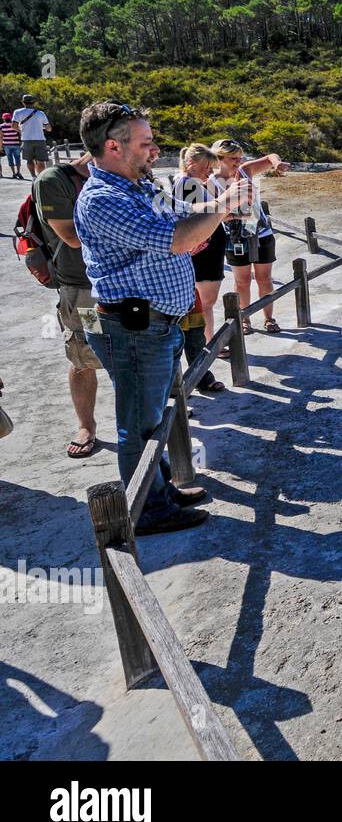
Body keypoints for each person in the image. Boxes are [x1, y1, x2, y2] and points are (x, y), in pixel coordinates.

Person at [73, 103, 251, 535]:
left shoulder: (139, 186)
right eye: (146, 143)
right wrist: (225, 205)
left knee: (154, 415)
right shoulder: (103, 200)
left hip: (156, 324)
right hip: (134, 328)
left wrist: (206, 217)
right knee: (137, 424)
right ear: (113, 147)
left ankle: (160, 489)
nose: (156, 151)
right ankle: (147, 509)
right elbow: (176, 237)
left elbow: (185, 221)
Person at [32, 152, 101, 457]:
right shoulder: (54, 181)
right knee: (84, 357)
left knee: (139, 352)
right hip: (83, 288)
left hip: (127, 286)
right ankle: (86, 425)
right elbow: (71, 237)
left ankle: (151, 419)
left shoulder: (129, 174)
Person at [210, 139, 289, 334]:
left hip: (261, 233)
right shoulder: (211, 182)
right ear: (219, 159)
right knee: (242, 281)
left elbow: (270, 158)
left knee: (264, 279)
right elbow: (215, 213)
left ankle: (269, 319)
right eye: (233, 158)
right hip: (235, 238)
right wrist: (237, 214)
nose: (238, 162)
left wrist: (278, 163)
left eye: (240, 157)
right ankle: (244, 319)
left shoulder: (245, 170)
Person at [173, 144, 226, 346]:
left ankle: (207, 342)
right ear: (191, 163)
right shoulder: (188, 184)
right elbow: (197, 216)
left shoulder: (187, 182)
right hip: (205, 252)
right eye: (207, 167)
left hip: (206, 250)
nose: (210, 172)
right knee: (206, 303)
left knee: (203, 303)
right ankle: (209, 344)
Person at [12, 95, 52, 178]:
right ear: (34, 102)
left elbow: (13, 126)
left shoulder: (18, 112)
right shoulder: (41, 113)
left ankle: (33, 177)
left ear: (23, 102)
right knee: (40, 161)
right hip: (40, 139)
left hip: (26, 139)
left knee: (29, 160)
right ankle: (41, 177)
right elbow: (49, 128)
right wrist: (41, 127)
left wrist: (21, 130)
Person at [1, 112, 22, 178]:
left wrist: (1, 146)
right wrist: (21, 142)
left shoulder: (1, 126)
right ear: (11, 118)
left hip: (7, 145)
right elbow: (20, 134)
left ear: (3, 119)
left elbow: (1, 137)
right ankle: (18, 172)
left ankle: (13, 173)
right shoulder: (15, 125)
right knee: (17, 158)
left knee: (10, 159)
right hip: (16, 144)